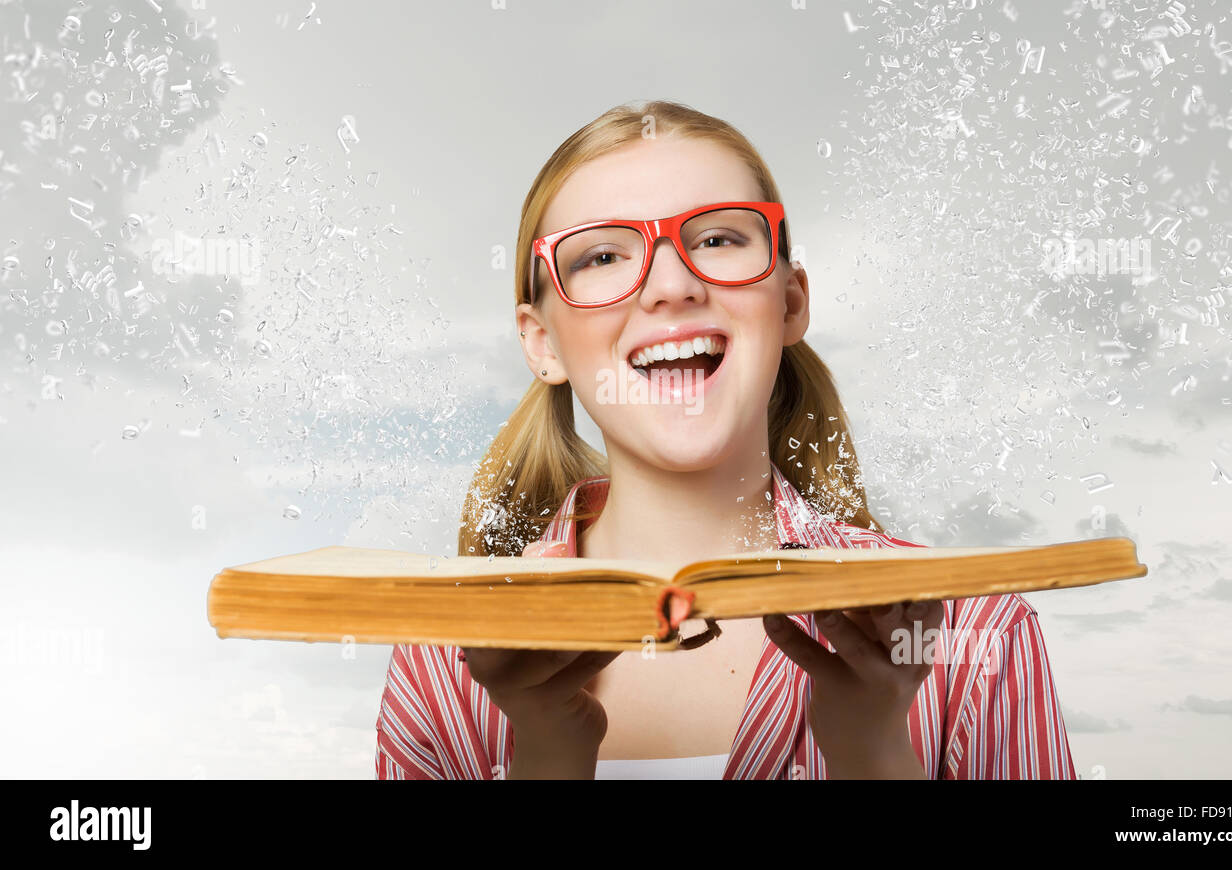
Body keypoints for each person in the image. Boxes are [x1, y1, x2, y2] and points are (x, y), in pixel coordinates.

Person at [375, 99, 1077, 779]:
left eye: (716, 239)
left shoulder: (973, 627)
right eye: (603, 257)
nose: (672, 285)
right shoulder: (444, 658)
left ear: (790, 302)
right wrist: (551, 754)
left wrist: (873, 754)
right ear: (541, 343)